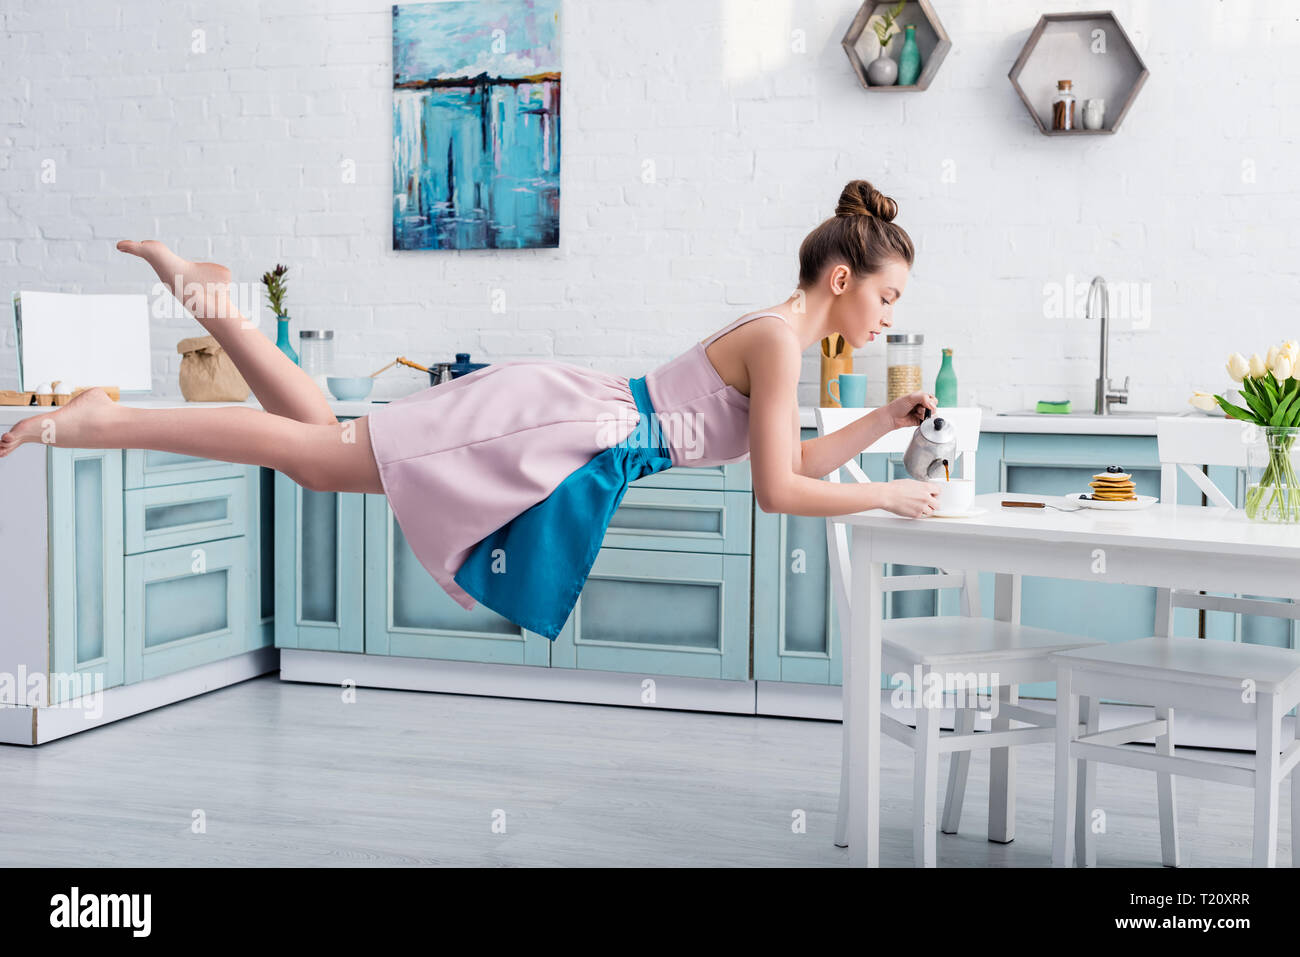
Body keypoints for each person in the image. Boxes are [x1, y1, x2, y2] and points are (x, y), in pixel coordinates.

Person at [0, 178, 940, 638]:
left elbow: (797, 465)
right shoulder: (780, 340)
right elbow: (779, 491)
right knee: (321, 459)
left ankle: (205, 294)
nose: (886, 318)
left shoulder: (786, 341)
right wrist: (889, 498)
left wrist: (880, 424)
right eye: (887, 299)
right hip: (560, 425)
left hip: (577, 429)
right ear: (845, 277)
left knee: (323, 447)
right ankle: (100, 418)